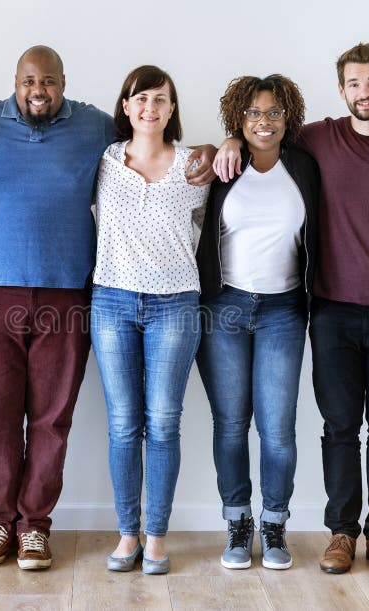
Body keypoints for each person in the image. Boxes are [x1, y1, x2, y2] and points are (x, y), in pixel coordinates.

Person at [0, 45, 217, 570]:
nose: (38, 90)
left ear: (64, 83)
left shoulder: (96, 127)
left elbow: (152, 142)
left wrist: (214, 143)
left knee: (52, 419)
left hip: (67, 296)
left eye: (49, 81)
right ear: (14, 81)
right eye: (29, 80)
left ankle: (35, 527)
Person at [213, 42, 369, 576]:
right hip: (331, 309)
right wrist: (232, 135)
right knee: (339, 427)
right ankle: (342, 533)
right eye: (354, 83)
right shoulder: (318, 139)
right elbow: (263, 132)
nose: (364, 92)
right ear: (342, 89)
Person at [196, 74, 319, 571]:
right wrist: (221, 142)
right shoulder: (226, 165)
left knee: (277, 429)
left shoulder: (305, 168)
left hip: (283, 312)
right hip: (223, 308)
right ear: (237, 120)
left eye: (272, 113)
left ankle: (273, 523)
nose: (262, 122)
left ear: (288, 118)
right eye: (252, 114)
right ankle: (237, 520)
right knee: (229, 425)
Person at [91, 65, 209, 575]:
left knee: (163, 423)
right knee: (123, 425)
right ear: (125, 106)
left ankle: (156, 536)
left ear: (172, 109)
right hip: (112, 301)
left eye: (160, 100)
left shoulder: (194, 167)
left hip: (176, 305)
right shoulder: (104, 162)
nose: (150, 108)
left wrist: (224, 140)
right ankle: (127, 534)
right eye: (140, 98)